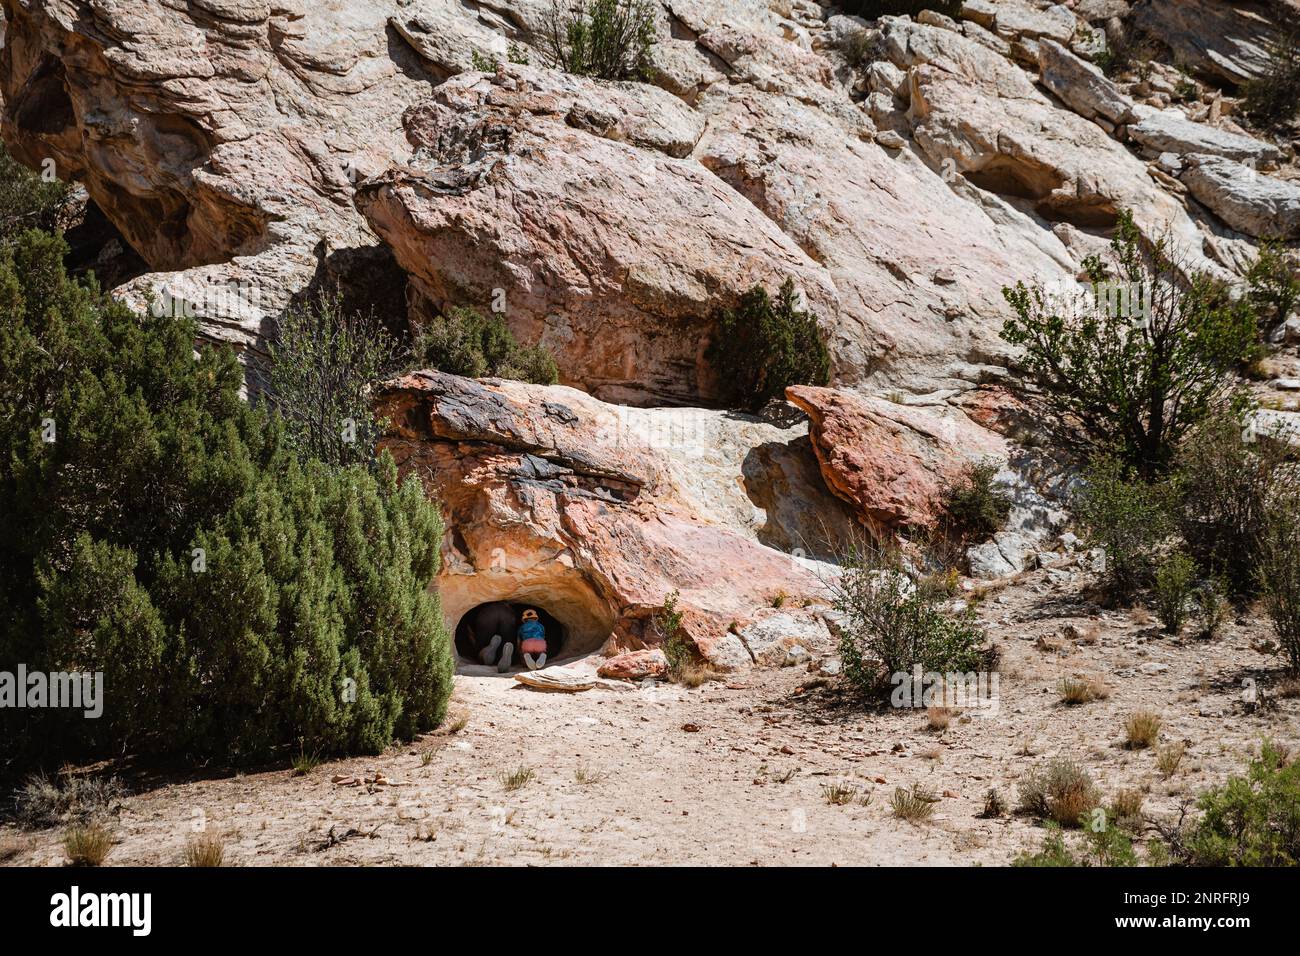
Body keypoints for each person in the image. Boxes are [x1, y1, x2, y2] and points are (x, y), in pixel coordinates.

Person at [470, 601, 516, 672]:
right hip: (507, 611)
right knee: (508, 641)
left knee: (483, 643)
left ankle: (486, 651)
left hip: (487, 611)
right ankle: (504, 658)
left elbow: (470, 632)